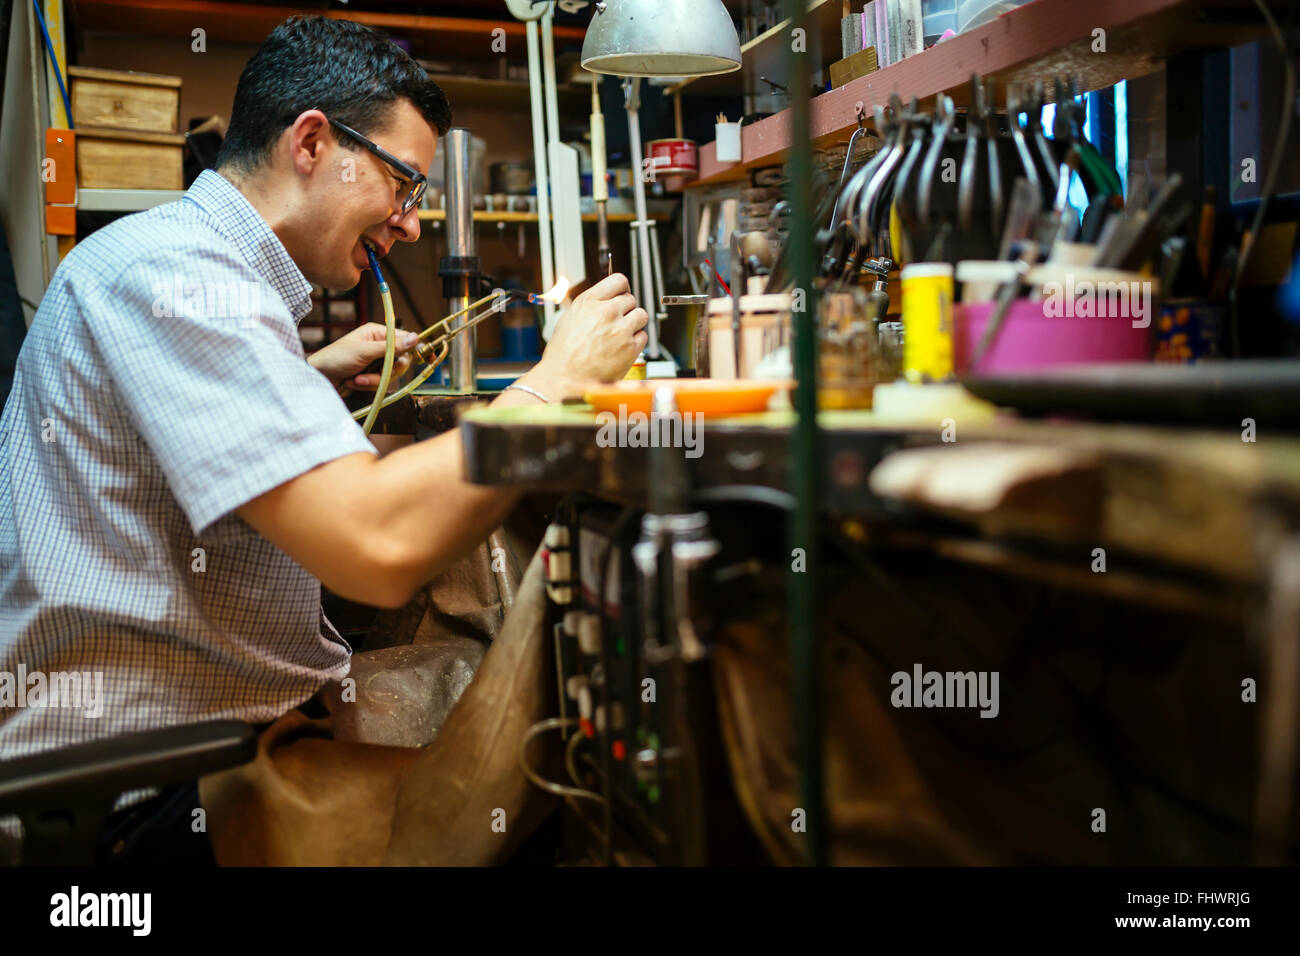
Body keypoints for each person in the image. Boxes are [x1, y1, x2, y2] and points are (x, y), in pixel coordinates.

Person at [0, 15, 646, 790]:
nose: (410, 223)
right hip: (147, 778)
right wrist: (557, 380)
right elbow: (373, 548)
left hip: (204, 731)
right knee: (547, 771)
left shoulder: (186, 264)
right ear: (310, 144)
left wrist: (302, 376)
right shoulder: (181, 279)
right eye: (403, 183)